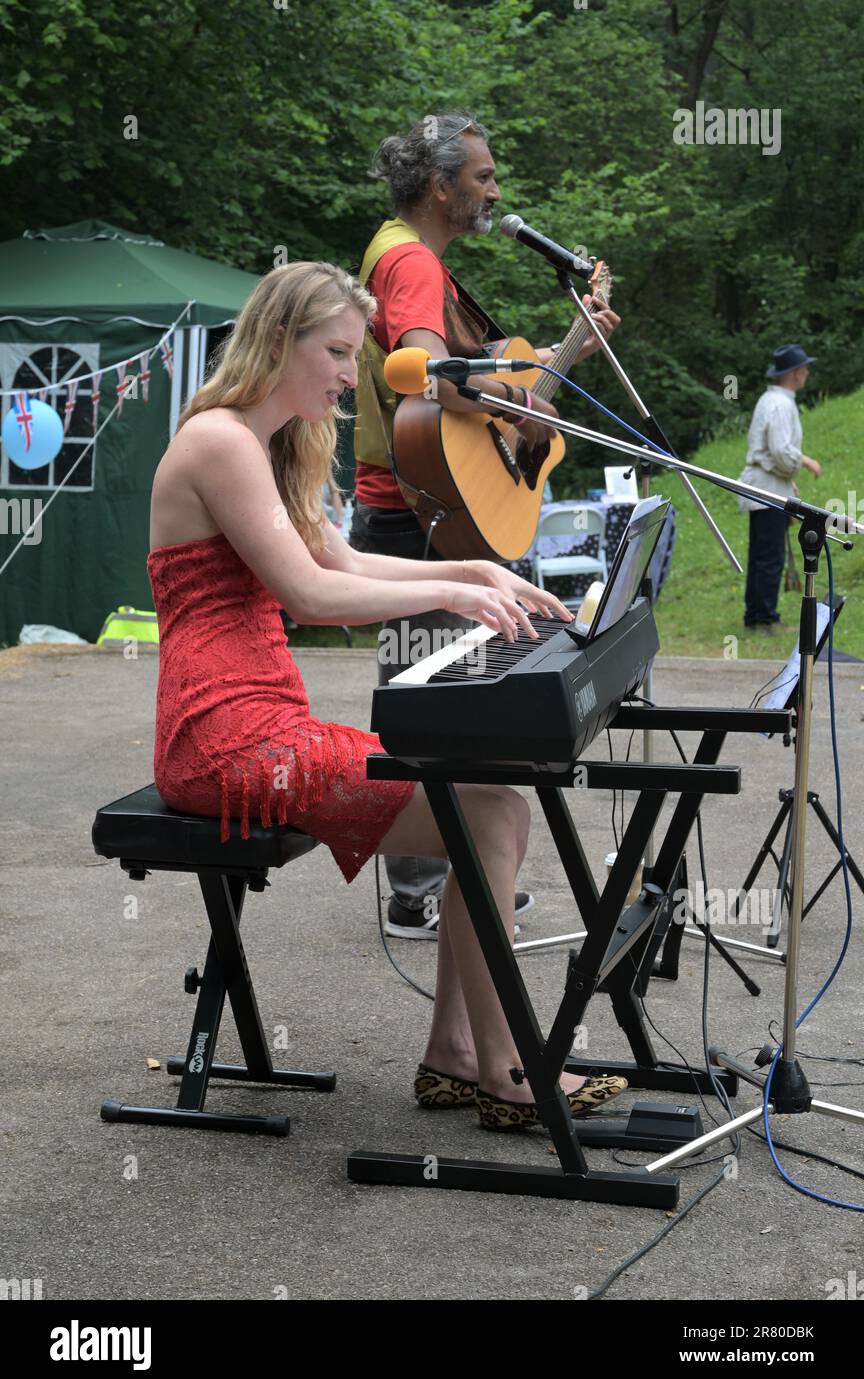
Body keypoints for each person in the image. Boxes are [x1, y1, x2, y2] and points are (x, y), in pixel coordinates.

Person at [146, 260, 627, 1130]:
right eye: (333, 351)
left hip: (265, 724)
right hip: (222, 743)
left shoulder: (269, 443)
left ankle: (455, 1055)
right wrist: (452, 595)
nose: (344, 373)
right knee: (487, 816)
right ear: (277, 341)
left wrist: (472, 568)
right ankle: (509, 1077)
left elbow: (350, 561)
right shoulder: (219, 440)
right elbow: (313, 597)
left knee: (497, 806)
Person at [351, 111, 621, 939]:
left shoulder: (414, 257)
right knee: (429, 702)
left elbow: (493, 398)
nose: (496, 190)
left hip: (429, 513)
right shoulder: (410, 262)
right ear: (441, 187)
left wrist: (569, 347)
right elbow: (432, 377)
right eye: (482, 176)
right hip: (413, 516)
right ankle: (419, 891)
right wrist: (513, 401)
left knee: (456, 696)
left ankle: (467, 869)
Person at [739, 344, 822, 633]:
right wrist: (801, 464)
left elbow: (774, 454)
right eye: (805, 368)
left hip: (769, 485)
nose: (807, 373)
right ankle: (763, 619)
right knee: (769, 557)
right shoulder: (779, 404)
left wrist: (789, 481)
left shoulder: (774, 400)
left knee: (764, 555)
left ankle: (758, 616)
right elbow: (780, 452)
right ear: (796, 373)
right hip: (766, 489)